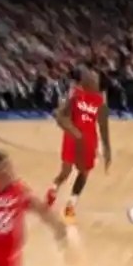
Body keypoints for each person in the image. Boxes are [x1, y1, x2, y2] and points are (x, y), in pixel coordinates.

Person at [47, 68, 111, 221]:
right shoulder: (76, 93)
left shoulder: (99, 100)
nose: (91, 78)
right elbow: (61, 112)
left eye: (94, 76)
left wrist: (107, 148)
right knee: (67, 171)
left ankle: (70, 203)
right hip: (73, 135)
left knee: (82, 172)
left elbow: (103, 125)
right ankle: (55, 190)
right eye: (90, 76)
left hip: (87, 138)